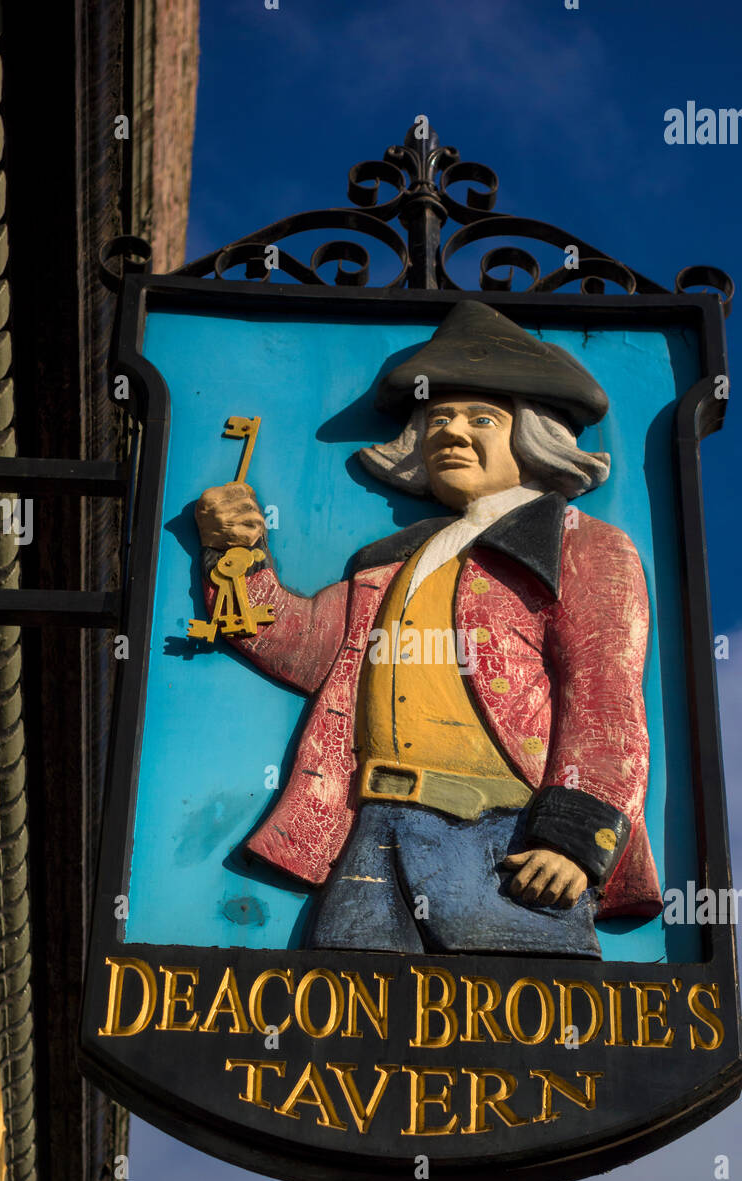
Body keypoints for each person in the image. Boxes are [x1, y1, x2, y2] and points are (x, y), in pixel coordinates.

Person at [194, 301, 662, 957]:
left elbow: (606, 700)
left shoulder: (583, 547)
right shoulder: (396, 560)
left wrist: (574, 840)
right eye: (437, 419)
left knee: (529, 1036)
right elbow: (303, 651)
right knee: (344, 1032)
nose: (451, 433)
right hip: (373, 833)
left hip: (508, 840)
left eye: (480, 419)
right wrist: (236, 553)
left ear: (534, 435)